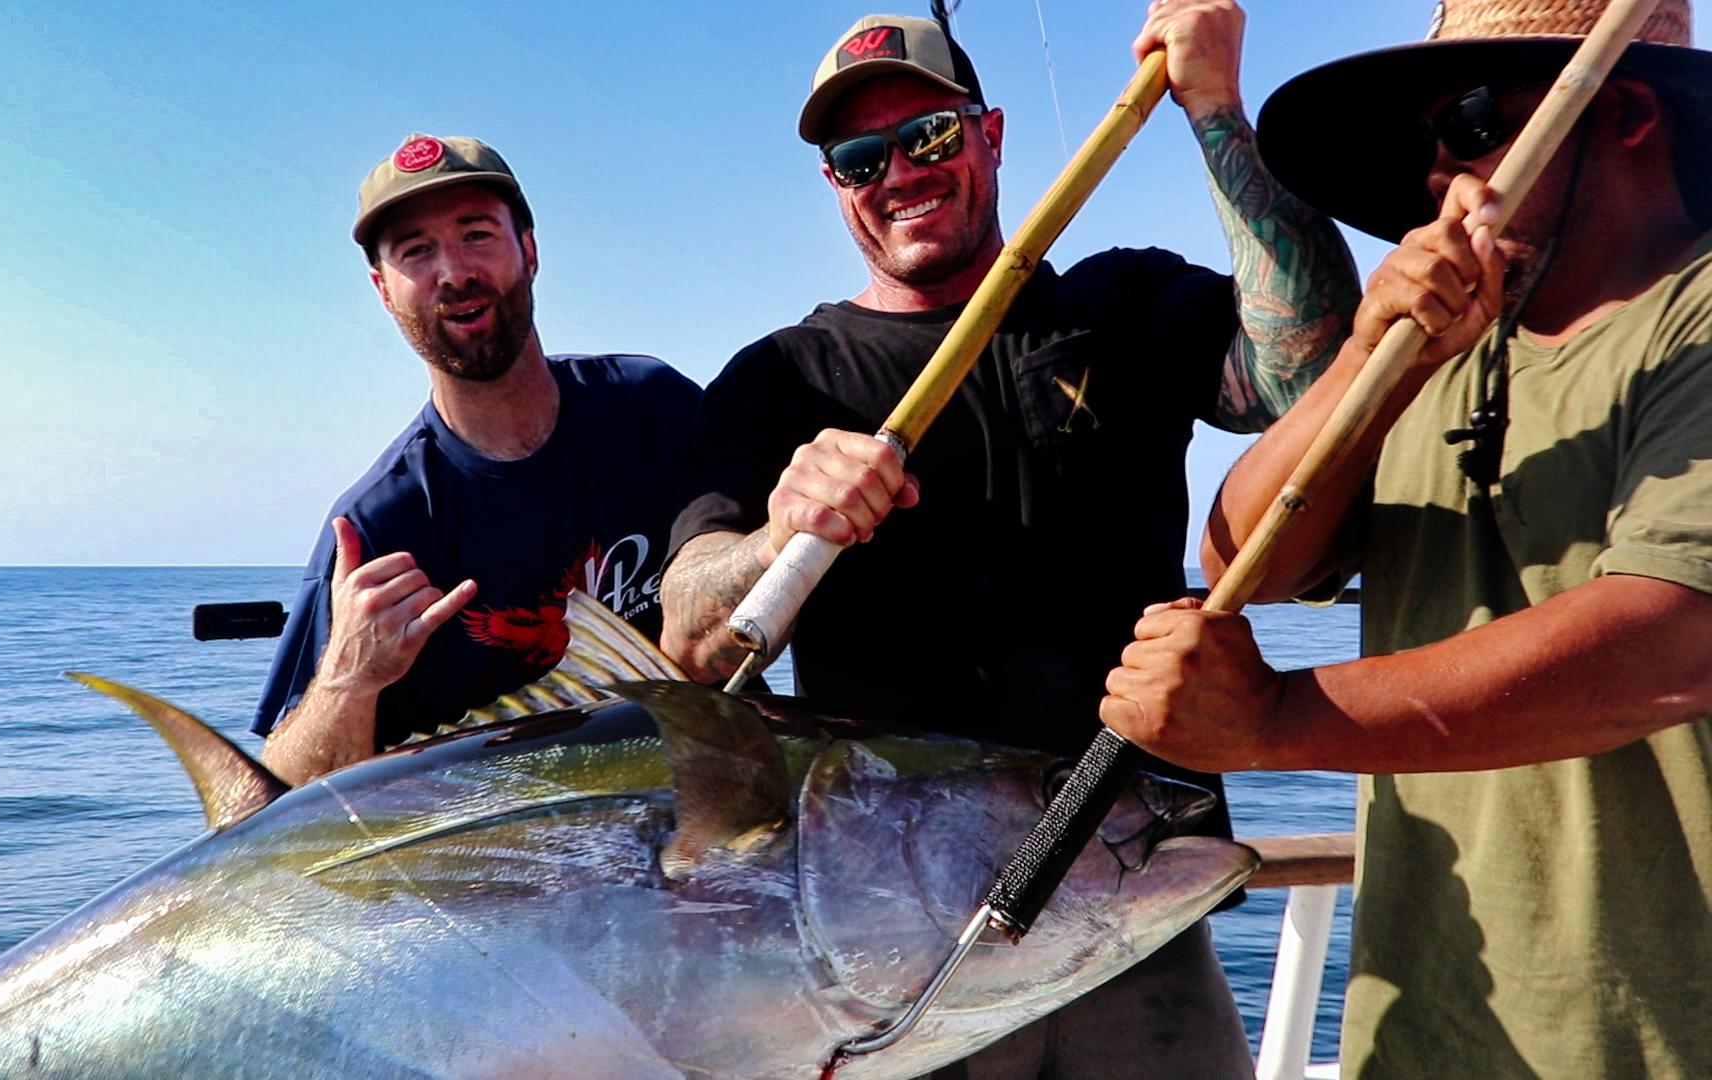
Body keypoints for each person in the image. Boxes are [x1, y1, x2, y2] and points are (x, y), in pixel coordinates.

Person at [660, 2, 1359, 1075]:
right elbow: (693, 635)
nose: (899, 170)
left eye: (930, 135)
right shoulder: (781, 380)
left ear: (988, 136)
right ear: (836, 188)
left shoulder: (1122, 303)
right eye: (861, 157)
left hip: (1134, 918)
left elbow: (1306, 368)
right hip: (894, 962)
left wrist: (1216, 109)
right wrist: (777, 538)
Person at [1099, 0, 1712, 1074]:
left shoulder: (1697, 317)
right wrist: (1369, 365)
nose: (1436, 169)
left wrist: (1275, 719)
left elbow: (1668, 642)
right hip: (1419, 1038)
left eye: (1472, 122)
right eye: (1429, 135)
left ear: (1623, 113)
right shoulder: (1443, 352)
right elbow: (1249, 555)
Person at [254, 134, 700, 786]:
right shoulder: (376, 528)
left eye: (477, 235)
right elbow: (276, 799)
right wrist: (350, 678)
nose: (453, 271)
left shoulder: (654, 408)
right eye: (416, 252)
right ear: (383, 290)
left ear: (531, 250)